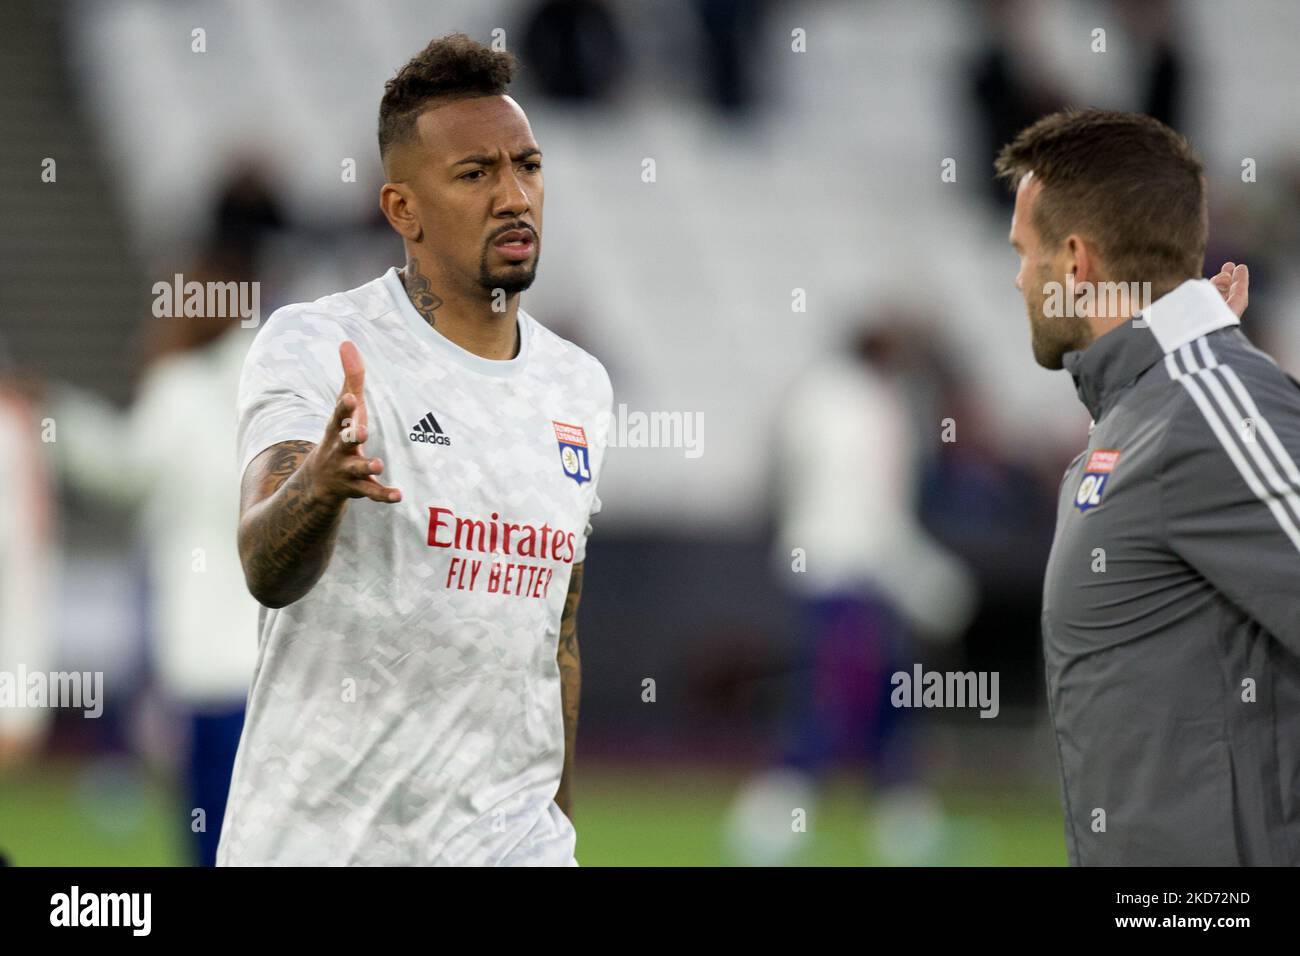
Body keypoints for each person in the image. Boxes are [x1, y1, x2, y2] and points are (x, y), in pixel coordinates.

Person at [217, 34, 611, 866]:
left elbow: (557, 636)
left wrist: (562, 827)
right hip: (327, 842)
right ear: (403, 209)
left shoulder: (579, 387)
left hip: (514, 843)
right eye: (476, 175)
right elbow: (264, 562)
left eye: (528, 167)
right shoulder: (318, 346)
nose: (514, 196)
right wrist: (319, 486)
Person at [998, 107, 1298, 865]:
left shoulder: (1203, 404)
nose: (1017, 278)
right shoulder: (1158, 409)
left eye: (1024, 253)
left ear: (1075, 262)